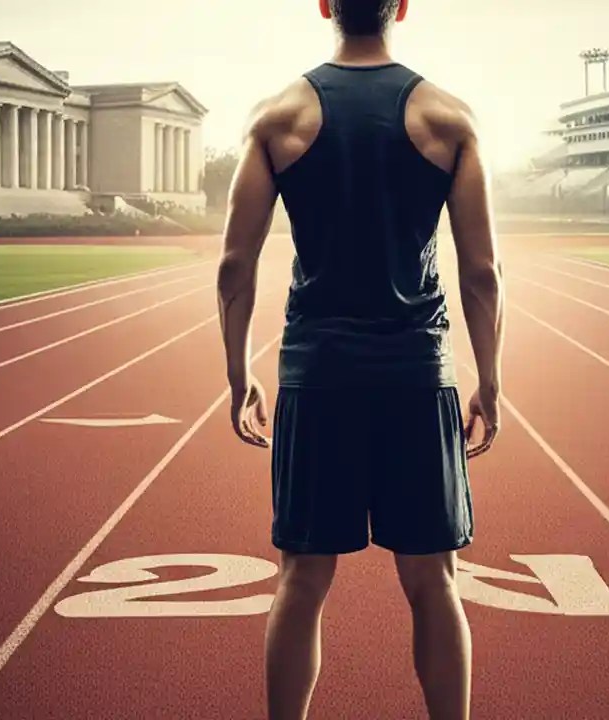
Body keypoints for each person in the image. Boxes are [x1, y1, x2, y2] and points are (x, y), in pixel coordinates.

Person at [214, 0, 505, 717]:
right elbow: (482, 273)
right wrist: (490, 381)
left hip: (318, 377)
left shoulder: (277, 118)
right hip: (416, 373)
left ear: (325, 6)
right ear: (400, 7)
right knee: (435, 581)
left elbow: (233, 264)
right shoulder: (449, 119)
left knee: (301, 580)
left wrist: (236, 373)